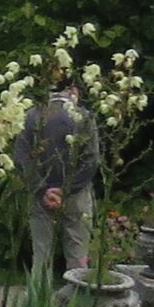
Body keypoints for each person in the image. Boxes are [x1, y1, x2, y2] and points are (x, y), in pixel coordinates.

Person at [13, 79, 100, 280]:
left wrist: (43, 190)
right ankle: (76, 306)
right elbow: (91, 160)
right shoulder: (84, 117)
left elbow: (21, 158)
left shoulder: (31, 116)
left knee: (41, 256)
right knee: (78, 257)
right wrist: (66, 190)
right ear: (73, 90)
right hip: (77, 196)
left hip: (40, 195)